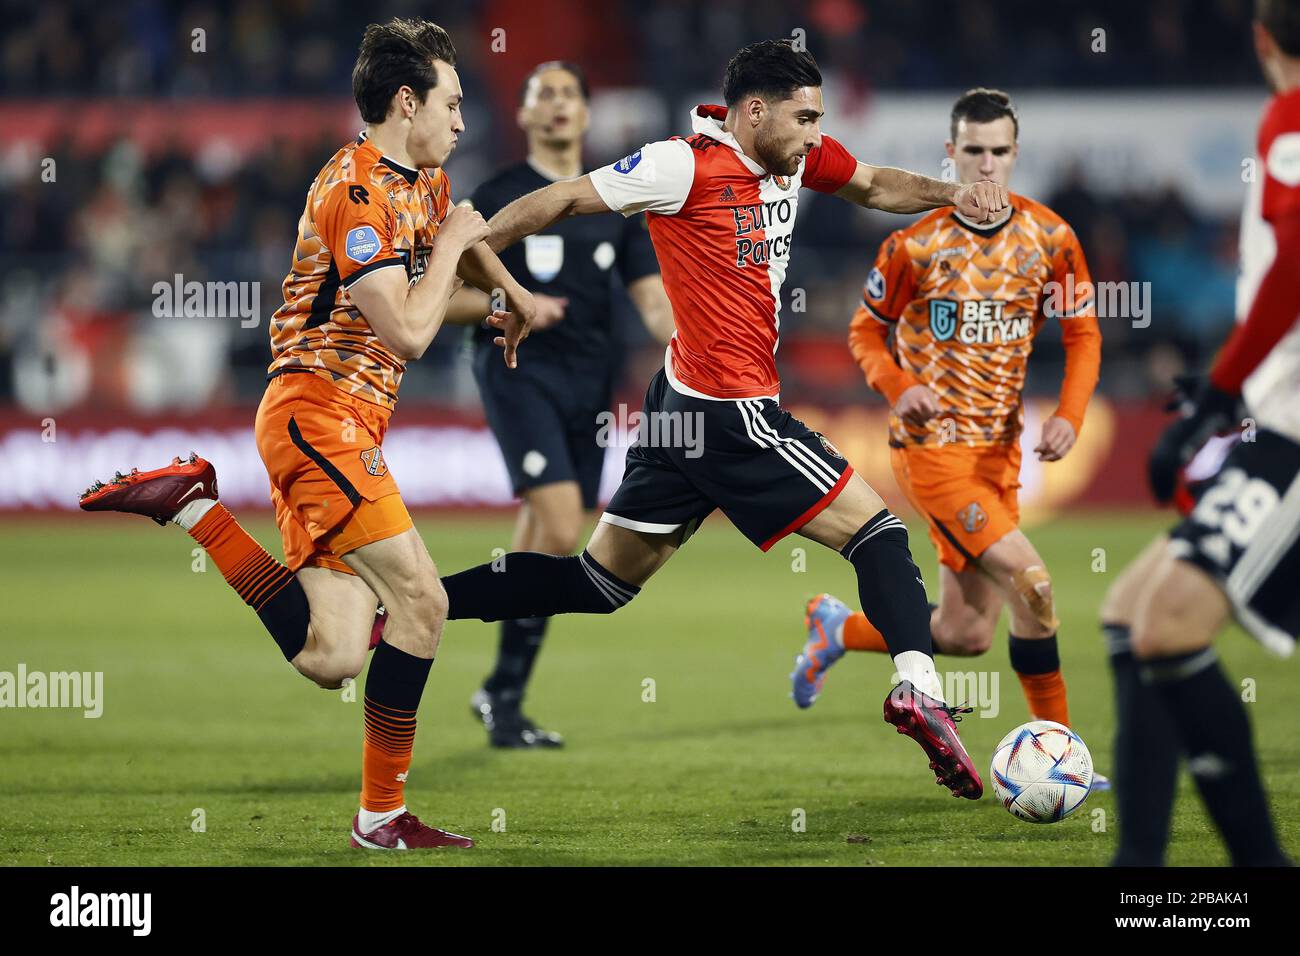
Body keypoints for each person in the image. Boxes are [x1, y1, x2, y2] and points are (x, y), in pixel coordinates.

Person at [434, 39, 1013, 799]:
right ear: (754, 111)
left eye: (819, 120)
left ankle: (421, 601)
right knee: (878, 534)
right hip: (729, 411)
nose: (814, 134)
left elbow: (873, 185)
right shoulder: (681, 165)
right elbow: (561, 198)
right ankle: (917, 689)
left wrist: (951, 193)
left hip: (678, 408)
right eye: (804, 118)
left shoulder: (794, 159)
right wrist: (474, 259)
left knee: (597, 582)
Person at [79, 18, 535, 851]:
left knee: (331, 655)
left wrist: (500, 295)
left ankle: (195, 511)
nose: (464, 122)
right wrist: (466, 248)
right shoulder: (354, 189)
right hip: (316, 413)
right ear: (408, 102)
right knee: (423, 602)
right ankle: (382, 818)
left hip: (337, 422)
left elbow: (439, 282)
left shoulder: (422, 183)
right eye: (454, 103)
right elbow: (405, 330)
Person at [789, 90, 1107, 783]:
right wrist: (902, 390)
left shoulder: (1051, 238)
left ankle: (838, 630)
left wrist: (1070, 415)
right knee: (1035, 587)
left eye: (998, 152)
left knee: (967, 634)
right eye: (973, 152)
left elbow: (1083, 334)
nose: (986, 167)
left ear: (1015, 155)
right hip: (934, 456)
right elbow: (864, 331)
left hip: (1002, 455)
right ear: (950, 155)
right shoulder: (916, 243)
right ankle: (1061, 758)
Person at [1104, 0, 1300, 867]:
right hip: (1280, 421)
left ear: (1262, 40)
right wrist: (1237, 385)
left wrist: (1224, 392)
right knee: (1130, 615)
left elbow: (1296, 266)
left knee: (1171, 626)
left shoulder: (1291, 118)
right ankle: (1137, 872)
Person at [445, 60, 674, 748]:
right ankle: (438, 619)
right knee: (555, 518)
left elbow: (655, 304)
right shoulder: (499, 195)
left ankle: (501, 696)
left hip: (590, 386)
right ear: (522, 114)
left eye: (570, 93)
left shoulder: (614, 199)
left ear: (585, 112)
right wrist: (511, 300)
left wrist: (708, 339)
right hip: (516, 371)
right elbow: (439, 294)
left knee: (554, 536)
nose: (557, 106)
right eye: (542, 94)